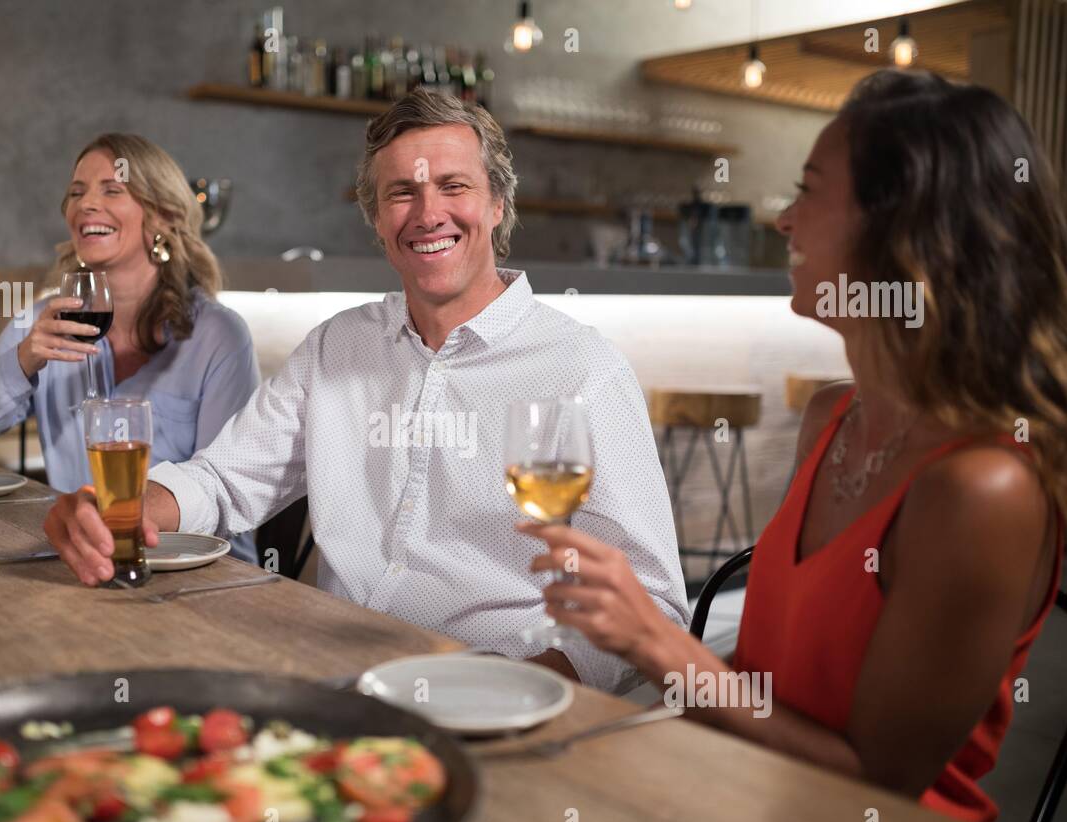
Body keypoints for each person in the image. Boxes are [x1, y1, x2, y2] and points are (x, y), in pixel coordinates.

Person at [518, 70, 1067, 822]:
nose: (784, 220)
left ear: (901, 231)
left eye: (809, 190)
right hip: (744, 808)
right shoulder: (831, 418)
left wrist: (653, 641)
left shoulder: (983, 489)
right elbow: (758, 692)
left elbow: (878, 788)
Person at [43, 90, 688, 691]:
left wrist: (531, 681)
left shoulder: (583, 369)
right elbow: (222, 481)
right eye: (401, 193)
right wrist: (116, 512)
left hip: (506, 692)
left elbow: (655, 604)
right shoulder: (334, 348)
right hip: (337, 675)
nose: (428, 212)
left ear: (496, 205)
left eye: (453, 186)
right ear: (376, 220)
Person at [0, 133, 260, 563]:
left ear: (164, 215)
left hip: (203, 571)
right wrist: (24, 360)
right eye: (76, 193)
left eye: (112, 190)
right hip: (82, 560)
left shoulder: (219, 335)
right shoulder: (43, 321)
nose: (85, 205)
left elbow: (227, 489)